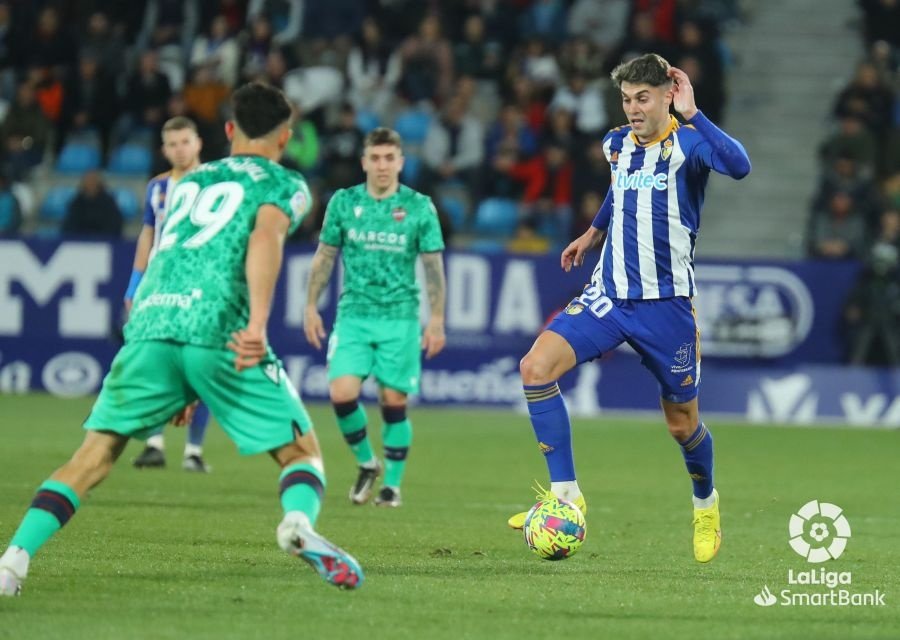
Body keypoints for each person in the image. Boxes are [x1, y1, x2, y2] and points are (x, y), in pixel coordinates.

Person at [0, 82, 364, 596]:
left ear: (230, 130)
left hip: (150, 324)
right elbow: (265, 238)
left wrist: (182, 381)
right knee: (301, 451)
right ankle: (297, 526)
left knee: (94, 455)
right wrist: (257, 323)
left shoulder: (189, 181)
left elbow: (167, 253)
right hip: (219, 329)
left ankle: (12, 561)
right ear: (284, 138)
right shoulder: (285, 183)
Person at [506, 53, 751, 564]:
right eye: (626, 99)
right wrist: (594, 232)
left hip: (667, 309)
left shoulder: (690, 144)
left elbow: (740, 166)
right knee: (535, 367)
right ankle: (567, 493)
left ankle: (706, 505)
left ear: (666, 95)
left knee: (682, 426)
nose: (633, 108)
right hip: (609, 296)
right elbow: (621, 194)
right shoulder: (615, 144)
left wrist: (695, 113)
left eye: (643, 98)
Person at [304, 127, 447, 509]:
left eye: (389, 158)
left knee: (392, 400)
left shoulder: (419, 206)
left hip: (400, 317)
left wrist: (436, 321)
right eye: (375, 158)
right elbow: (324, 257)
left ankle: (392, 487)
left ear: (400, 161)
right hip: (354, 314)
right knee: (341, 392)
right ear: (364, 161)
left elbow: (433, 267)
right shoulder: (343, 202)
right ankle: (367, 462)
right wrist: (309, 306)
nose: (382, 165)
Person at [124, 116, 213, 473]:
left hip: (202, 286)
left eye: (185, 142)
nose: (180, 149)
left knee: (201, 365)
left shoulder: (216, 182)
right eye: (172, 144)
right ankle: (155, 443)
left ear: (198, 143)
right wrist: (135, 284)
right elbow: (148, 234)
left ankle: (193, 450)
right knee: (156, 363)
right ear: (164, 149)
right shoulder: (157, 187)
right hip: (160, 285)